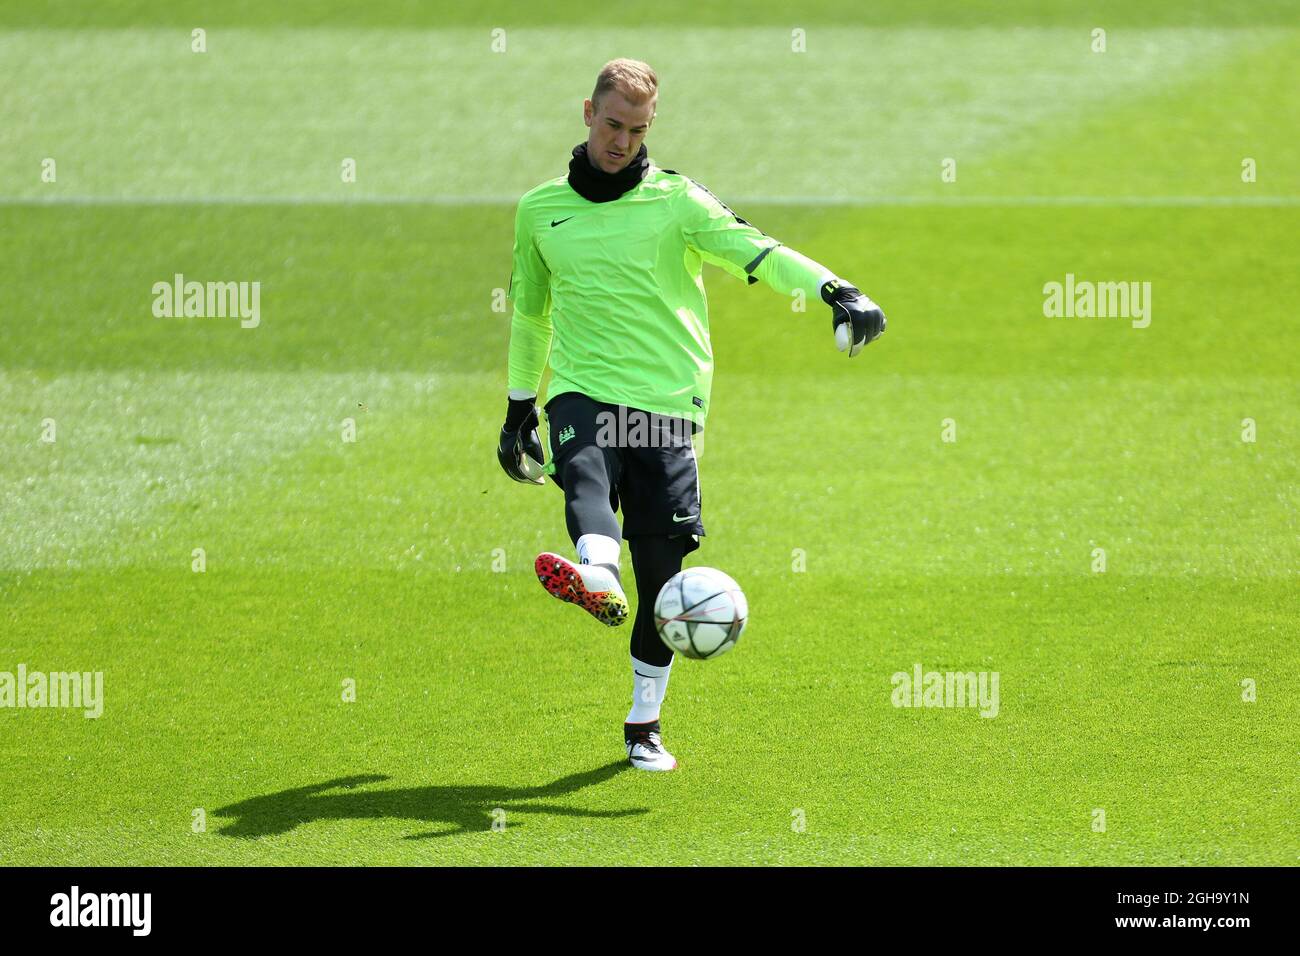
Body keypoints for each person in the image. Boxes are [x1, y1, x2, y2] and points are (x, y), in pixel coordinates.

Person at [498, 58, 886, 771]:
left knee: (665, 576)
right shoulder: (540, 209)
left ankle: (643, 724)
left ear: (651, 128)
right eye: (613, 124)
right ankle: (596, 570)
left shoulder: (678, 202)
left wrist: (835, 287)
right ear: (588, 113)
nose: (622, 140)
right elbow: (530, 312)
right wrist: (522, 404)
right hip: (584, 387)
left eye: (637, 129)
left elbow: (754, 251)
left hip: (668, 402)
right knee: (581, 466)